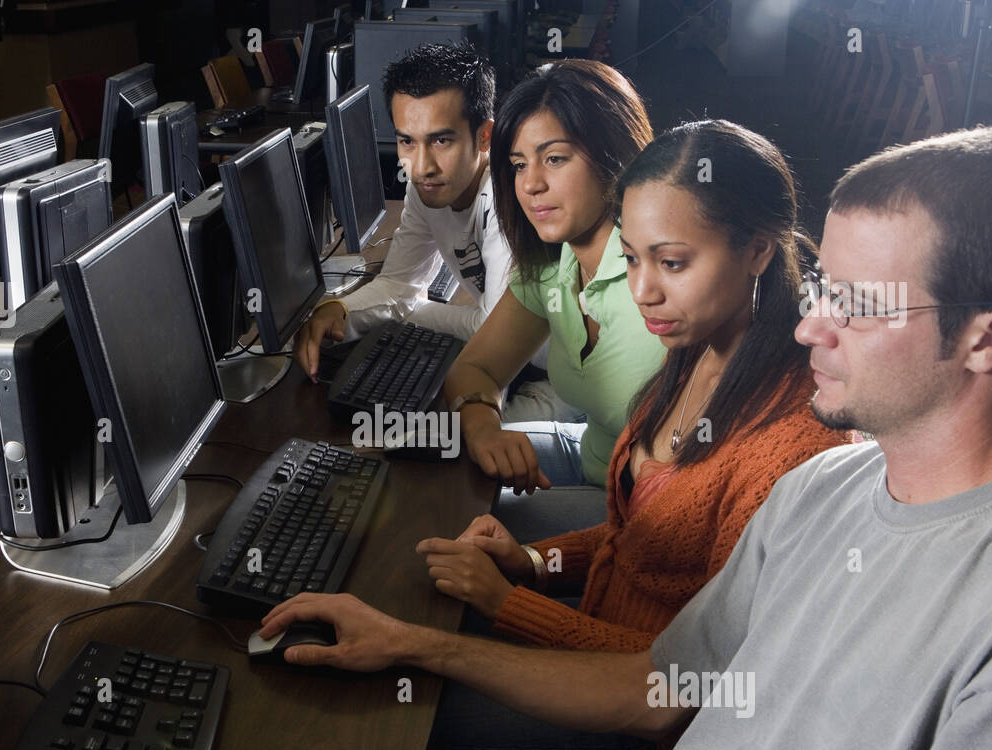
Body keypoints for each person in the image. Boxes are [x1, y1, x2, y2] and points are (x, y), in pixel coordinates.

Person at [259, 125, 992, 750]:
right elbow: (656, 689)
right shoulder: (824, 489)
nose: (811, 328)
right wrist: (411, 643)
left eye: (858, 305)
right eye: (823, 289)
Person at [420, 120, 853, 659]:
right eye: (630, 258)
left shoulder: (787, 449)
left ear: (758, 252)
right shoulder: (695, 343)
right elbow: (639, 543)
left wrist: (509, 604)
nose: (643, 291)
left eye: (671, 263)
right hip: (596, 632)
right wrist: (533, 564)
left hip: (649, 717)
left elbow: (691, 682)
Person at [291, 43, 565, 421]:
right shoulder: (427, 188)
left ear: (485, 136)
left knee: (450, 448)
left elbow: (490, 327)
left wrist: (409, 313)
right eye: (407, 141)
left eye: (441, 140)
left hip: (565, 382)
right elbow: (400, 284)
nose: (421, 167)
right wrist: (340, 309)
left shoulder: (510, 194)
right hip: (513, 370)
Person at [442, 59, 667, 496]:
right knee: (436, 470)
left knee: (460, 531)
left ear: (613, 156)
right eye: (519, 164)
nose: (531, 185)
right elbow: (475, 368)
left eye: (555, 159)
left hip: (639, 508)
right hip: (589, 455)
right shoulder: (552, 264)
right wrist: (484, 427)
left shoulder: (663, 274)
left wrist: (544, 563)